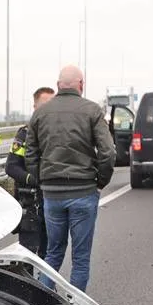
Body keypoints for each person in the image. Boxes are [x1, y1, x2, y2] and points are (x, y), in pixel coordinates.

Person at [23, 66, 115, 289]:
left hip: (52, 194)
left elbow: (30, 153)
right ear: (81, 85)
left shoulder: (40, 113)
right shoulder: (92, 110)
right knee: (80, 258)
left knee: (53, 254)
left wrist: (41, 180)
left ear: (58, 85)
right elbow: (108, 152)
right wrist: (100, 182)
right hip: (83, 190)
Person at [4, 87, 54, 251]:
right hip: (31, 203)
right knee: (28, 255)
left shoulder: (60, 134)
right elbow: (11, 167)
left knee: (50, 256)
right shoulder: (25, 134)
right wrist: (33, 180)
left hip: (54, 202)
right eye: (45, 104)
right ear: (35, 107)